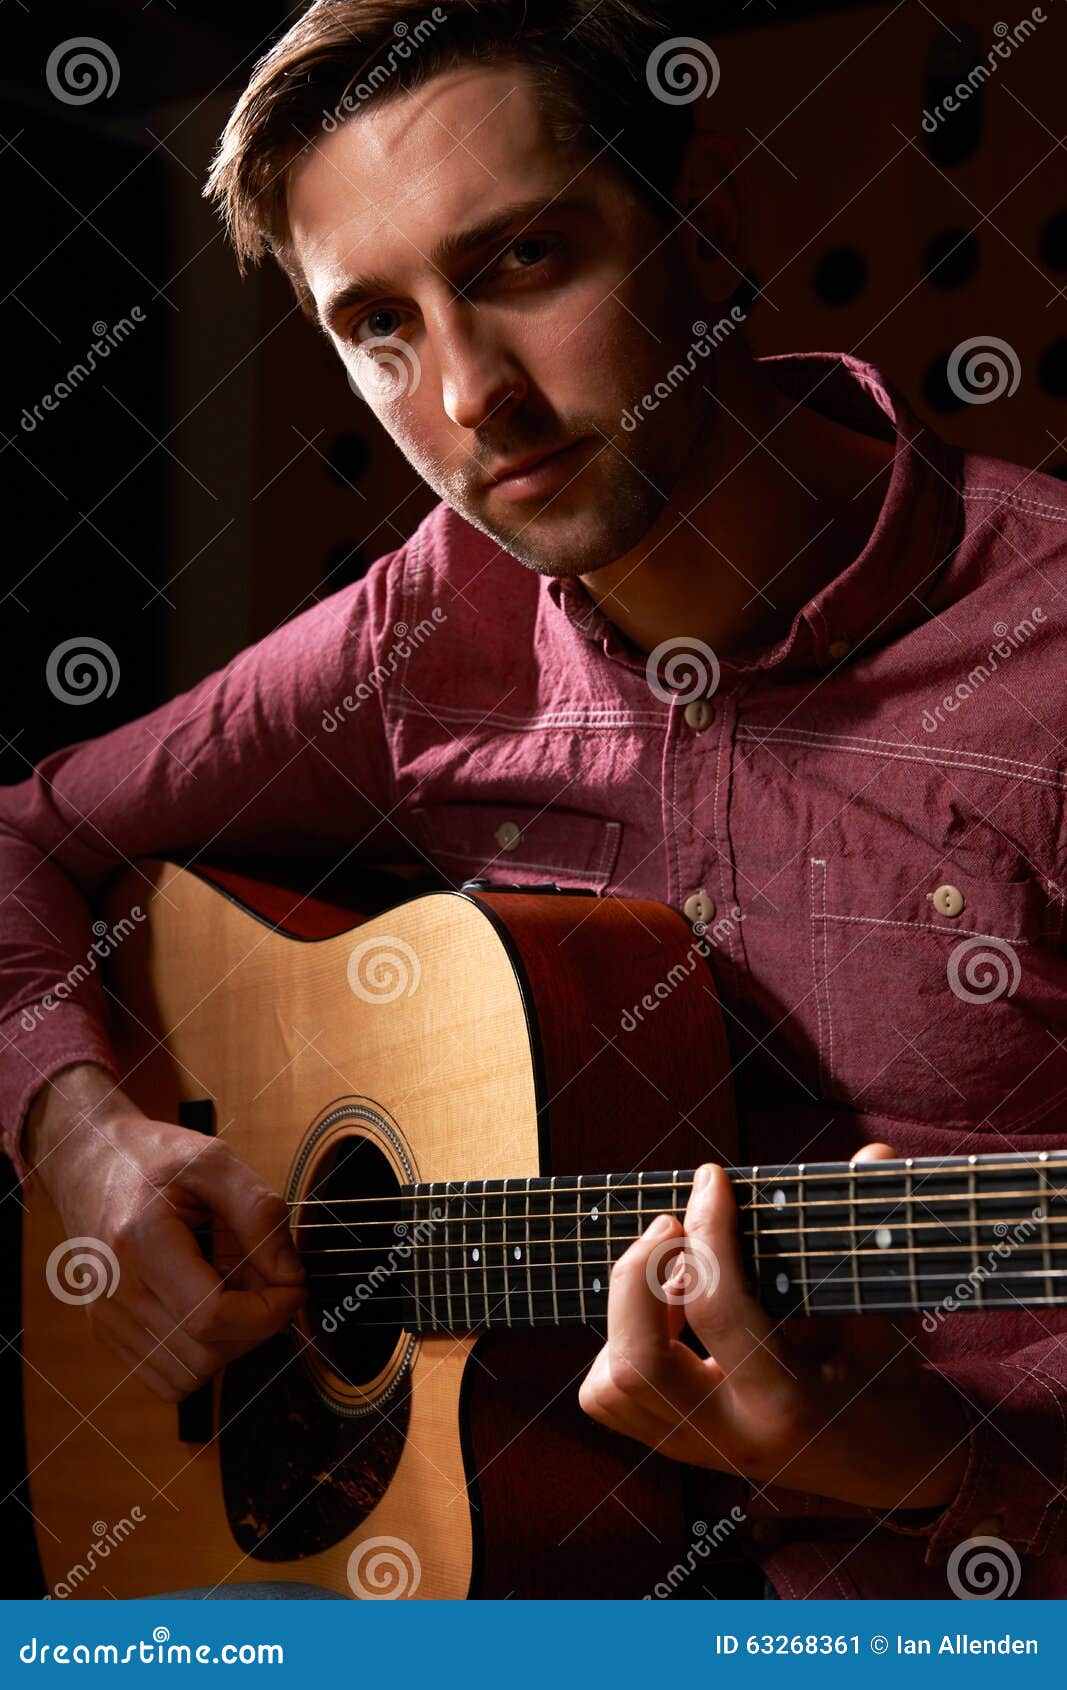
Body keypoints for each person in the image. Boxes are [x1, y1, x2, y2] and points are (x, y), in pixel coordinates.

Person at [3, 0, 1065, 1600]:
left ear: (705, 221)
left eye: (520, 262)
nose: (466, 395)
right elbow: (22, 835)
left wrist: (931, 1466)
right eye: (379, 326)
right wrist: (86, 1141)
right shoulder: (424, 637)